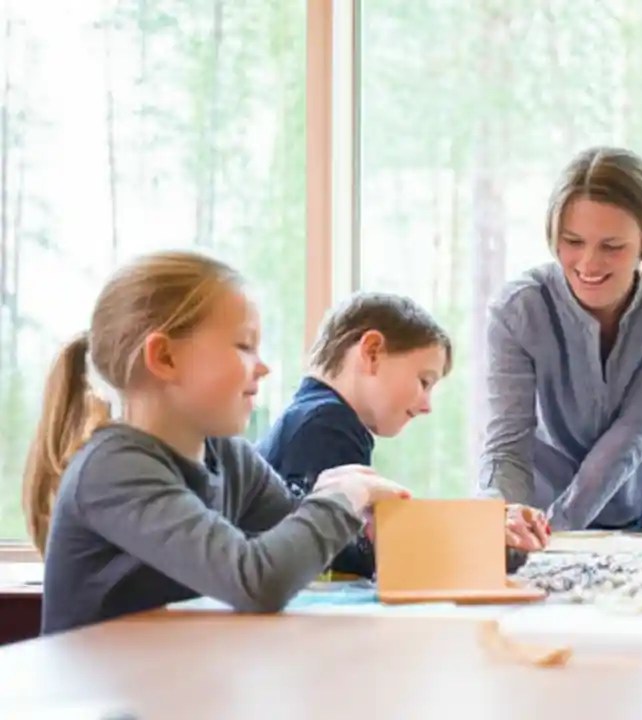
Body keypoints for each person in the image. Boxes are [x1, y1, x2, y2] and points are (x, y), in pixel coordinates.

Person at [29, 251, 408, 634]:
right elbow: (257, 580)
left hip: (171, 684)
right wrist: (341, 497)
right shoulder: (113, 468)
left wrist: (353, 512)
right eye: (244, 346)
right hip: (100, 692)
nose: (263, 367)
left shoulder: (229, 457)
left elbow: (294, 539)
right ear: (165, 357)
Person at [478, 147, 642, 531]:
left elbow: (638, 428)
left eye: (611, 247)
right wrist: (504, 522)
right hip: (535, 520)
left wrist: (560, 526)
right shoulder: (518, 308)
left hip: (637, 524)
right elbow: (507, 444)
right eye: (573, 241)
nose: (588, 264)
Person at [258, 291, 549, 578]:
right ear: (372, 352)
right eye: (424, 381)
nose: (427, 406)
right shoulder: (326, 423)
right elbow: (351, 548)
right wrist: (479, 538)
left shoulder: (314, 418)